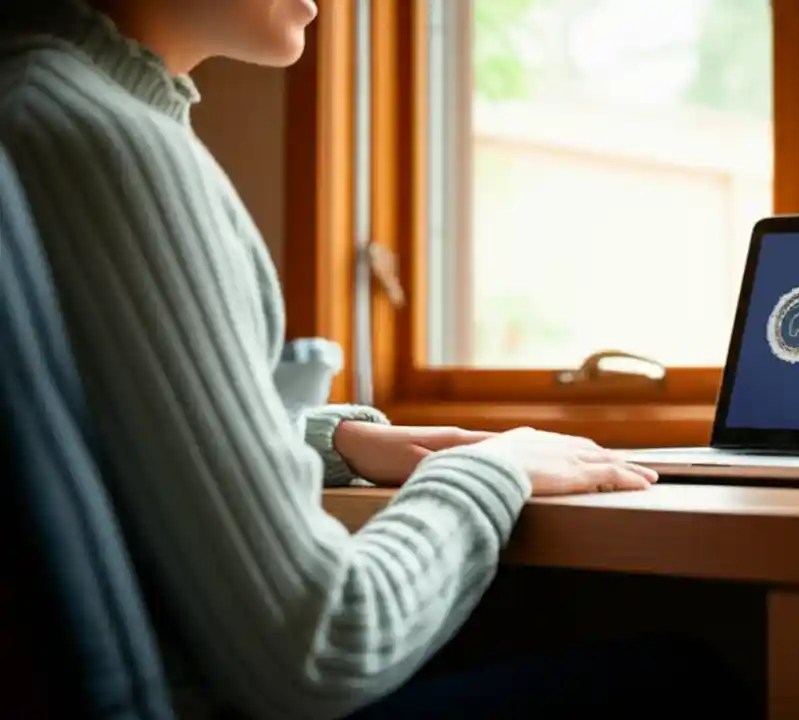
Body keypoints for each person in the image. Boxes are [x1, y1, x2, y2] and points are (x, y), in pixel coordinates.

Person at [0, 1, 720, 718]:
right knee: (685, 677)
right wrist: (491, 472)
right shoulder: (102, 138)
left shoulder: (42, 99)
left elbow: (104, 420)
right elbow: (320, 645)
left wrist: (329, 439)